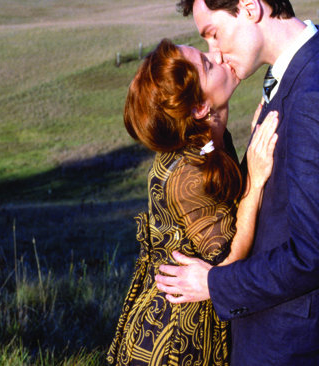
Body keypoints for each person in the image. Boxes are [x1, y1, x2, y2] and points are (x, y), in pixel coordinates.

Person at [155, 0, 319, 365]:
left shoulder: (315, 98)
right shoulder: (308, 72)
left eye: (214, 34)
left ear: (250, 8)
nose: (215, 53)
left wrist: (215, 283)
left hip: (294, 340)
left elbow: (318, 251)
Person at [107, 38, 278, 365]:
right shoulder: (189, 175)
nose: (219, 54)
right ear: (200, 108)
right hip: (177, 343)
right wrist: (255, 183)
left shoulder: (203, 142)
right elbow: (227, 264)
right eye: (208, 64)